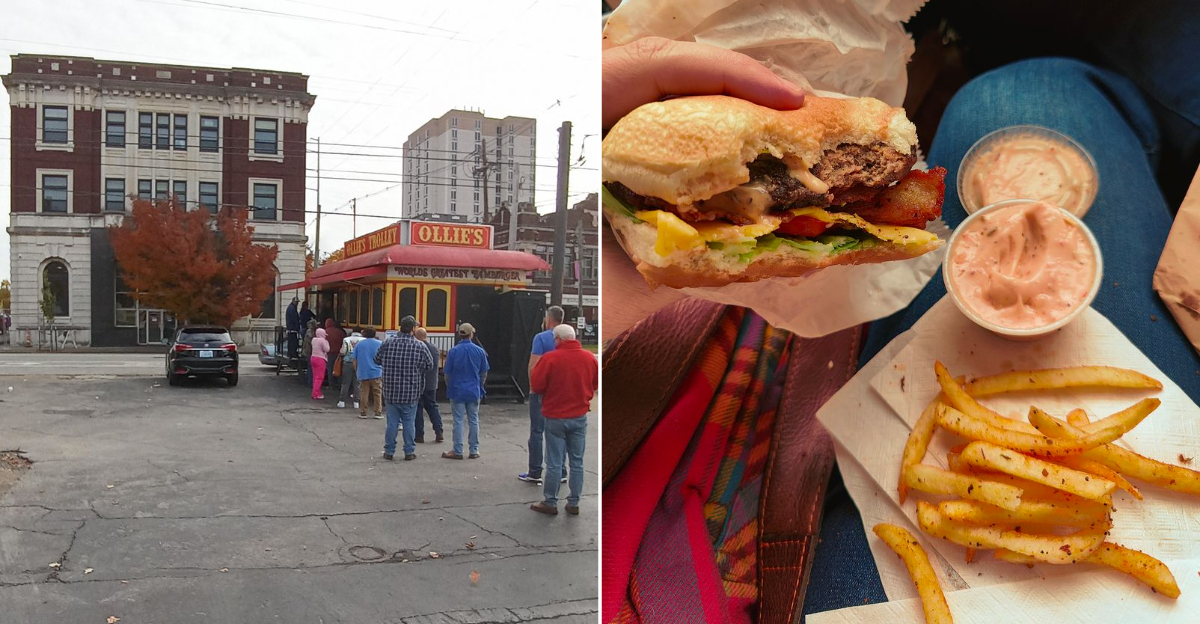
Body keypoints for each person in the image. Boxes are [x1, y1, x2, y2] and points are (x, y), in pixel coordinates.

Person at [529, 324, 597, 516]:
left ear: (558, 339)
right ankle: (574, 502)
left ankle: (550, 501)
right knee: (577, 461)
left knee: (554, 462)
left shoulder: (550, 358)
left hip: (555, 417)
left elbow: (537, 385)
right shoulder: (589, 358)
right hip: (579, 416)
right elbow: (595, 384)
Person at [519, 306, 569, 485]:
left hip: (542, 391)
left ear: (548, 319)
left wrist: (533, 388)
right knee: (559, 432)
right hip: (561, 391)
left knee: (537, 431)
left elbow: (534, 365)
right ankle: (561, 470)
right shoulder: (569, 337)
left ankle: (535, 471)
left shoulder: (541, 338)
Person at [374, 315, 433, 461]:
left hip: (391, 390)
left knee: (392, 423)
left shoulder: (388, 343)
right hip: (411, 391)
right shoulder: (420, 346)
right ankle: (409, 451)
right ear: (413, 329)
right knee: (409, 423)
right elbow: (429, 365)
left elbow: (377, 359)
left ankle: (389, 451)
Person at [440, 322, 490, 461]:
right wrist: (479, 385)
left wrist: (450, 386)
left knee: (458, 420)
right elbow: (484, 372)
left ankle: (458, 450)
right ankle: (474, 449)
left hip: (457, 389)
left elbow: (447, 373)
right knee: (473, 420)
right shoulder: (479, 351)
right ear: (471, 334)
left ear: (459, 334)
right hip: (473, 389)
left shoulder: (453, 351)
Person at [413, 327, 445, 443]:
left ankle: (419, 435)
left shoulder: (416, 348)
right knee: (432, 407)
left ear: (416, 336)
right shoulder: (434, 348)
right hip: (431, 383)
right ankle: (439, 432)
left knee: (418, 409)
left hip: (418, 383)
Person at [353, 328, 384, 420]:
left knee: (364, 393)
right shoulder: (380, 344)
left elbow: (354, 359)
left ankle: (363, 412)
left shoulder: (359, 344)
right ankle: (378, 412)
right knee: (377, 393)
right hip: (377, 372)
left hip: (363, 372)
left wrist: (357, 370)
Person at [336, 327, 364, 409]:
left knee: (345, 383)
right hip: (359, 363)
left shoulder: (346, 339)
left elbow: (343, 351)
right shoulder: (364, 340)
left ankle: (342, 401)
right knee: (357, 383)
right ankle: (356, 402)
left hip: (347, 362)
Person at [324, 318, 345, 390]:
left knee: (330, 369)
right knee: (338, 368)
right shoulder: (340, 332)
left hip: (329, 353)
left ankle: (331, 384)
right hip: (339, 354)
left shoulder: (325, 332)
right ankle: (339, 384)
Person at [309, 327, 329, 401]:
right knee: (320, 377)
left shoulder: (313, 340)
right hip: (320, 359)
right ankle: (315, 394)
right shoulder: (323, 341)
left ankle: (318, 392)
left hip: (313, 357)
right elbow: (327, 349)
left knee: (315, 376)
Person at [300, 318, 318, 387]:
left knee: (309, 367)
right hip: (311, 352)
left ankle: (309, 381)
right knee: (311, 367)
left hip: (308, 352)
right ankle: (310, 382)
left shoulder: (308, 332)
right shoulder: (312, 333)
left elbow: (305, 343)